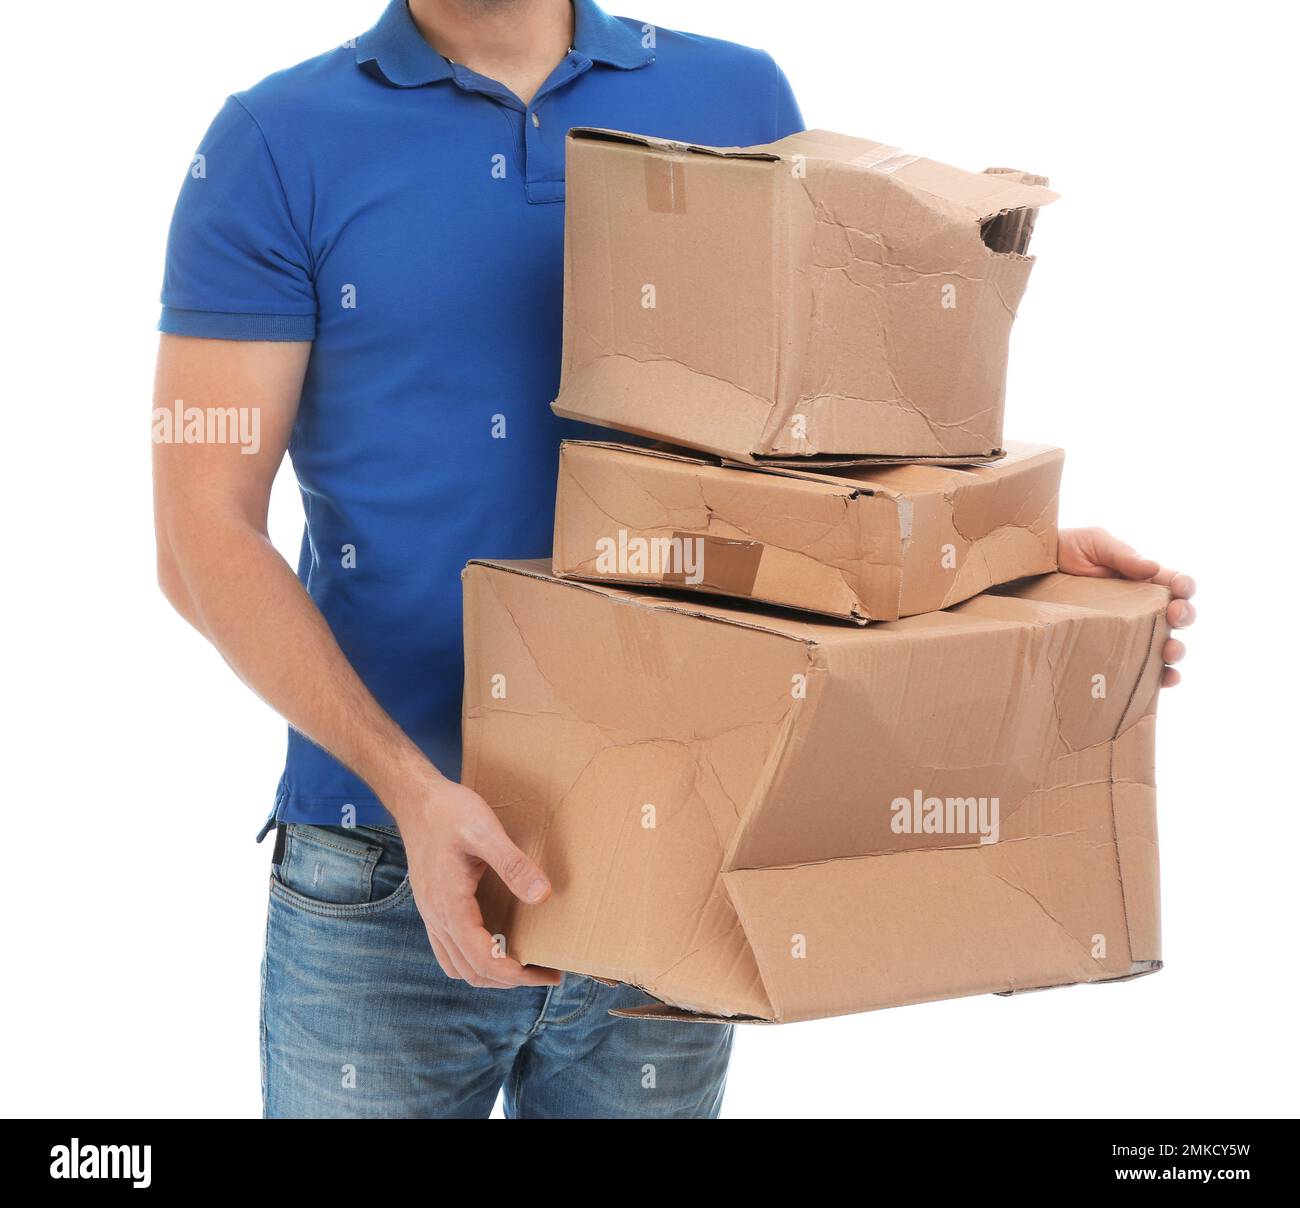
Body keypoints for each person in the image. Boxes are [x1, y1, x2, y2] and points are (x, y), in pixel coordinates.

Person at [152, 0, 1195, 1119]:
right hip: (385, 870)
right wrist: (410, 791)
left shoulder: (736, 102)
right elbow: (199, 533)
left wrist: (1011, 561)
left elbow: (821, 460)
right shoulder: (274, 142)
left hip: (679, 829)